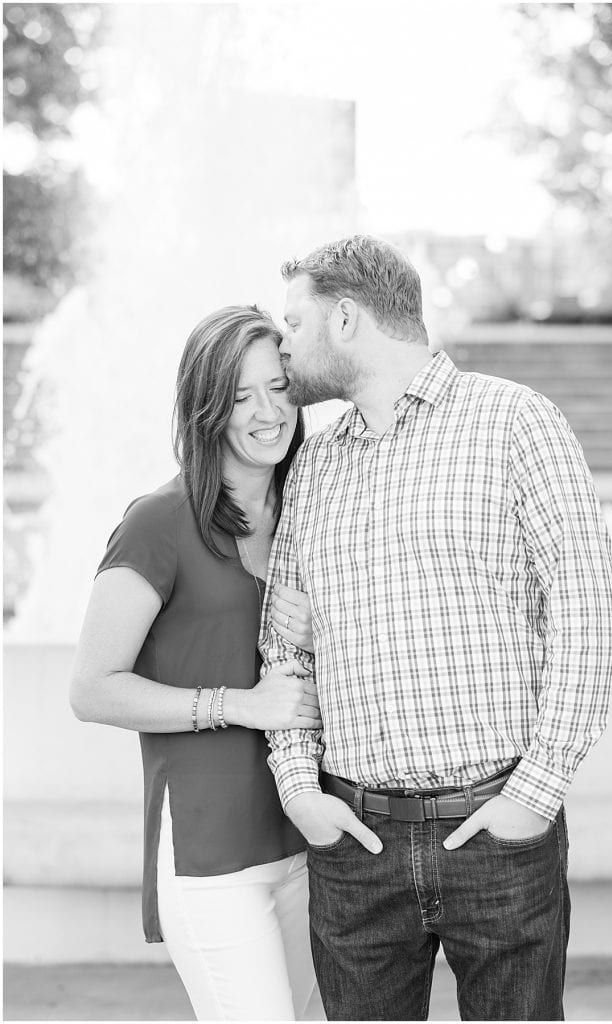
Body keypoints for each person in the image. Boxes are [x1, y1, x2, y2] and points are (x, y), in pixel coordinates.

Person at [259, 236, 612, 1021]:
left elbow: (586, 611)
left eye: (295, 321)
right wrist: (299, 790)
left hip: (497, 836)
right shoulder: (317, 463)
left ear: (346, 317)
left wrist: (535, 793)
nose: (283, 343)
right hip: (354, 847)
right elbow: (283, 645)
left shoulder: (515, 422)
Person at [70, 305, 320, 1021]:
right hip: (210, 859)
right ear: (206, 408)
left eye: (278, 388)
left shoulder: (313, 508)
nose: (267, 413)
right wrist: (238, 703)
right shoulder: (159, 522)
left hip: (308, 841)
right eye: (241, 396)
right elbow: (91, 689)